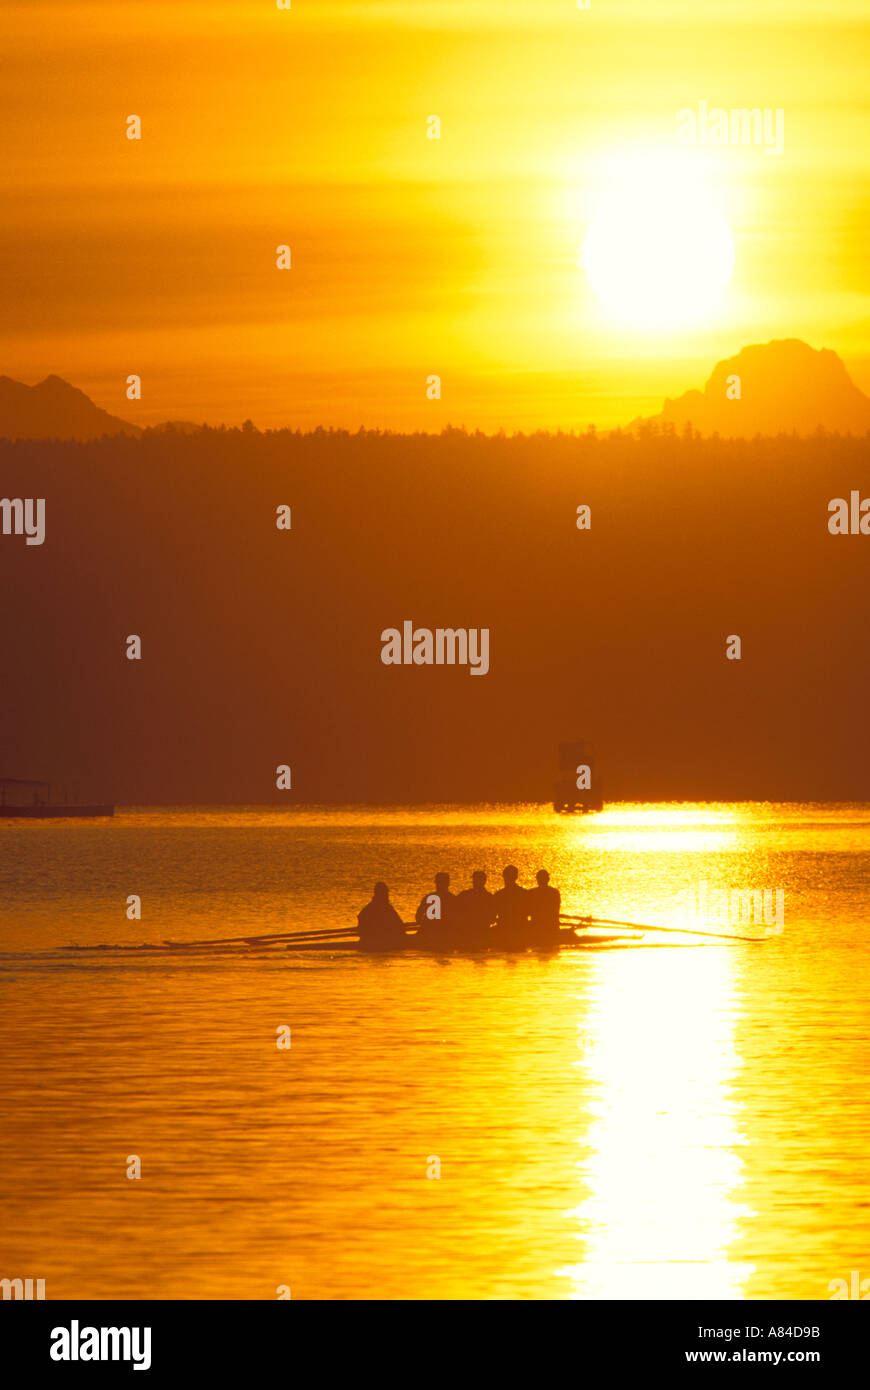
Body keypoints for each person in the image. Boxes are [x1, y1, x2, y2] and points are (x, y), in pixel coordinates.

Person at [356, 882, 407, 950]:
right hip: (377, 940)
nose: (387, 895)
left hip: (370, 940)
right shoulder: (385, 908)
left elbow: (399, 925)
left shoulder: (371, 907)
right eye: (386, 893)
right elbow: (400, 925)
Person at [453, 870, 496, 947]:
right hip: (482, 931)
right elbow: (492, 918)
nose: (475, 882)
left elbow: (454, 912)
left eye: (476, 880)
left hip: (469, 932)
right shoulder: (489, 897)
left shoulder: (465, 895)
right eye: (475, 880)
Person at [414, 872, 457, 947]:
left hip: (427, 933)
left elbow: (418, 917)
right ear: (448, 884)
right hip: (446, 935)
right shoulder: (453, 899)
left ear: (436, 883)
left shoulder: (428, 898)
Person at [492, 865, 530, 947]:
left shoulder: (499, 895)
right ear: (516, 876)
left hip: (504, 930)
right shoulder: (524, 893)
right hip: (521, 930)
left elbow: (492, 918)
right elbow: (530, 913)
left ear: (503, 876)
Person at [527, 869, 561, 946]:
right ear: (548, 879)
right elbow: (556, 910)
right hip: (551, 927)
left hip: (536, 928)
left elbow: (527, 912)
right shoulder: (554, 892)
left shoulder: (531, 893)